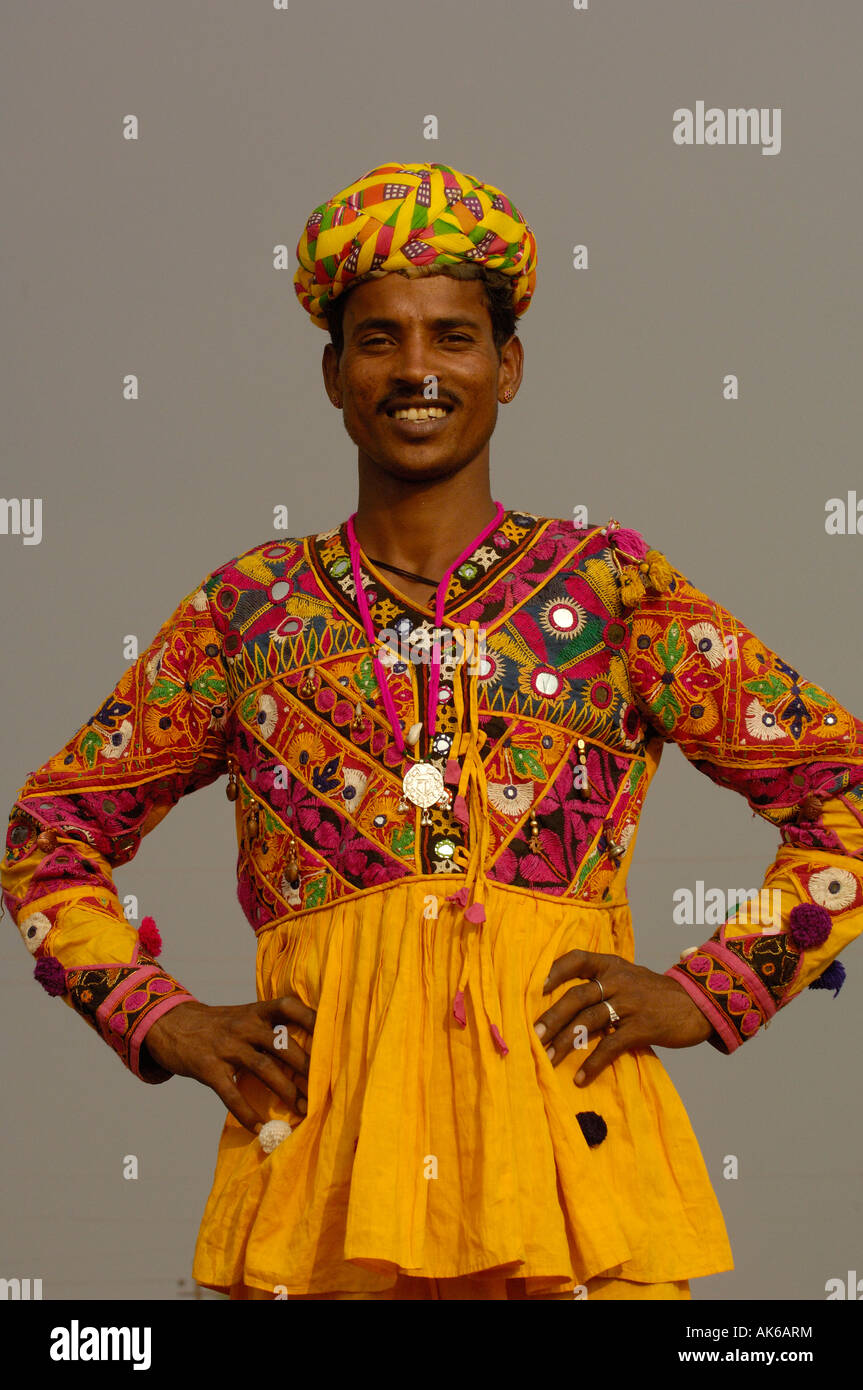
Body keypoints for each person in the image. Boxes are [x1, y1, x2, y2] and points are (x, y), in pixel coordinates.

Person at [3, 161, 862, 1302]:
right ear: (331, 376)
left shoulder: (606, 592)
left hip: (571, 1177)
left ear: (505, 367)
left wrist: (711, 987)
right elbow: (51, 831)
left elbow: (839, 788)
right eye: (378, 340)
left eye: (453, 337)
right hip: (323, 1189)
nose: (416, 370)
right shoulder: (250, 610)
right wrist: (156, 1017)